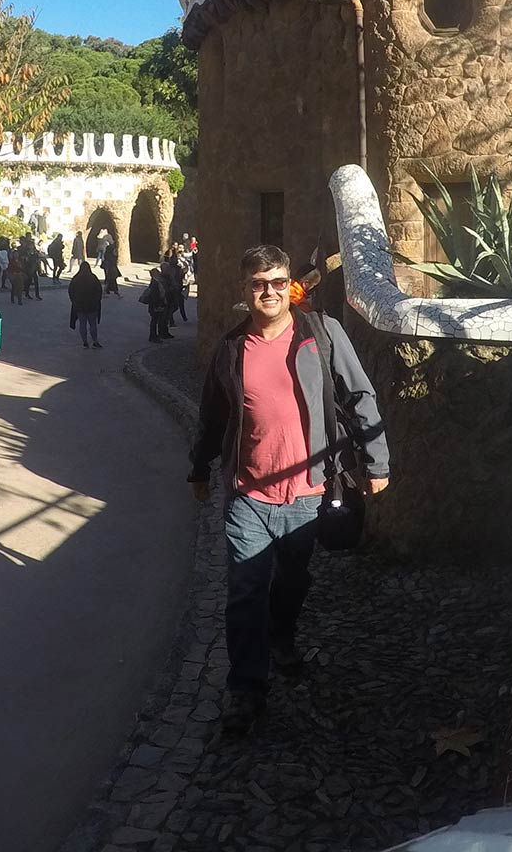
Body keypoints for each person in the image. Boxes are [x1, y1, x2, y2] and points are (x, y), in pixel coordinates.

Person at [188, 246, 391, 734]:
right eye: (259, 284)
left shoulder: (320, 334)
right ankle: (246, 688)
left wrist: (376, 459)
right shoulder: (231, 349)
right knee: (244, 592)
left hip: (307, 492)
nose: (270, 292)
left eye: (278, 282)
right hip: (247, 493)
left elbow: (360, 396)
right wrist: (199, 468)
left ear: (289, 286)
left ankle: (282, 637)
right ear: (245, 291)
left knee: (292, 580)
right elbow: (213, 417)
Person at [69, 260, 103, 349]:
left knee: (82, 324)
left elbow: (71, 291)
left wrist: (74, 301)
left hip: (80, 306)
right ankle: (95, 341)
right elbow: (99, 291)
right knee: (93, 324)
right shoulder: (93, 278)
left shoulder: (76, 278)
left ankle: (85, 342)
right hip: (92, 306)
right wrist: (97, 301)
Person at [143, 270, 170, 342]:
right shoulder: (155, 283)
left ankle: (154, 335)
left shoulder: (156, 282)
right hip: (155, 305)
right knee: (154, 321)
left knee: (155, 320)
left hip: (156, 305)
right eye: (157, 272)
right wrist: (157, 305)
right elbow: (155, 296)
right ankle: (153, 336)